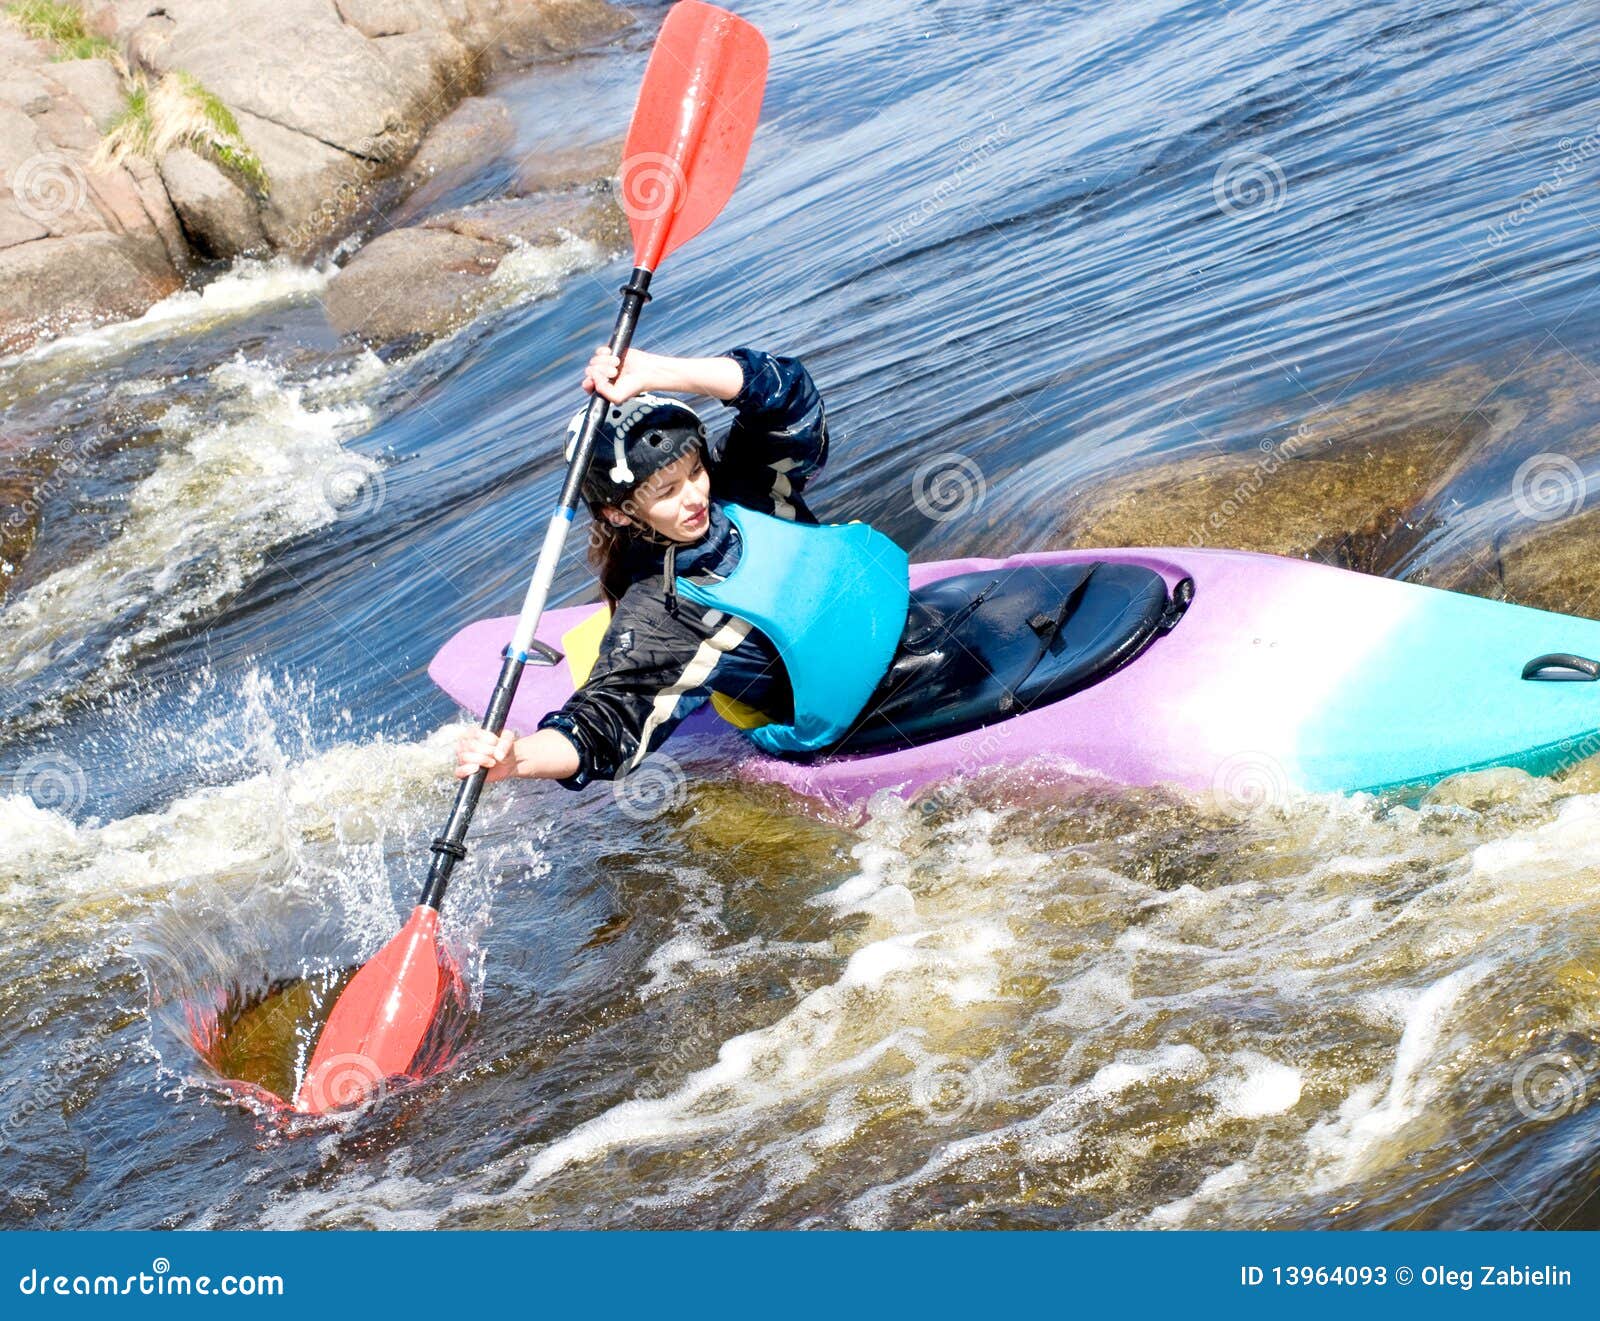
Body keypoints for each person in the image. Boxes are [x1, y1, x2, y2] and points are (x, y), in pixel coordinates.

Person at [454, 345, 910, 789]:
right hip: (864, 714)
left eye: (694, 471)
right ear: (619, 513)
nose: (694, 498)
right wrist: (519, 759)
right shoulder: (665, 613)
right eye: (665, 491)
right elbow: (604, 724)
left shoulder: (745, 483)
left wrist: (659, 372)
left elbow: (787, 397)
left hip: (902, 627)